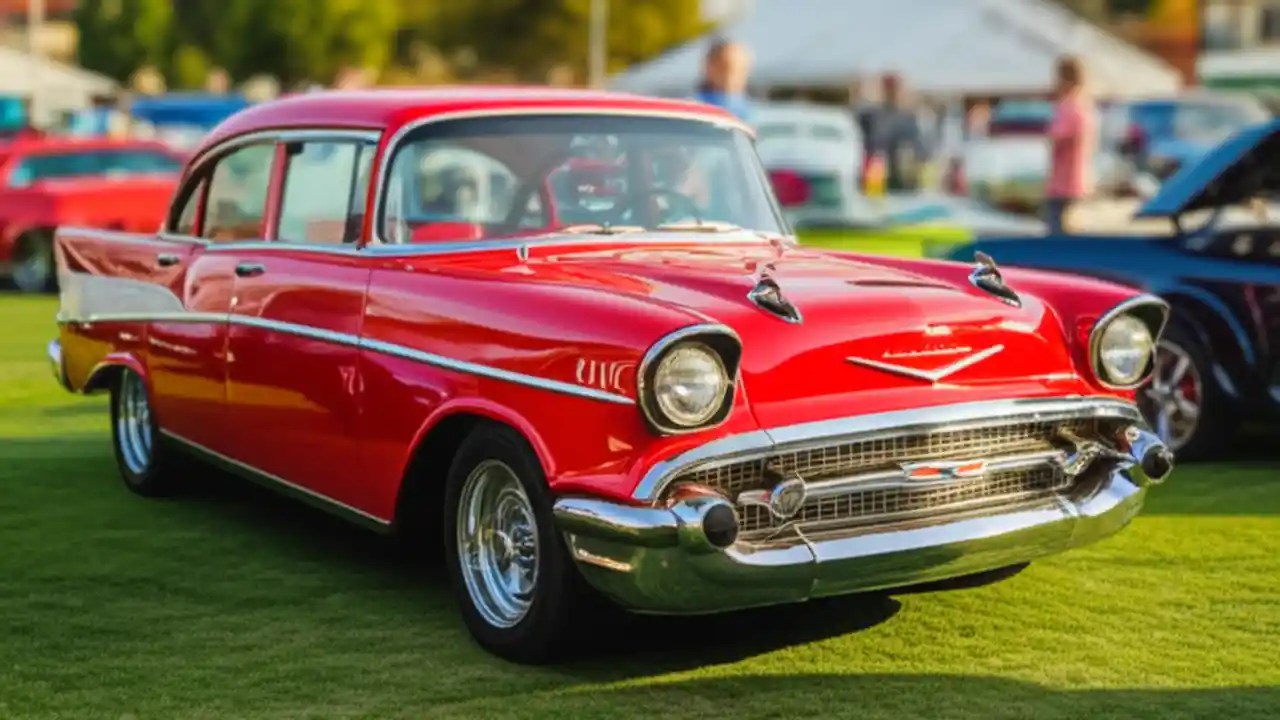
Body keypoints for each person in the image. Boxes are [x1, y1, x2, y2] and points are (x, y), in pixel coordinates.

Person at [1044, 56, 1097, 235]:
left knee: (1057, 235)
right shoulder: (1085, 106)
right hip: (1079, 181)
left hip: (1064, 184)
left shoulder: (1069, 107)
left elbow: (1056, 136)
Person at [863, 73, 929, 192]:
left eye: (893, 89)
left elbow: (921, 152)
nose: (890, 93)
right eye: (887, 89)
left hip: (903, 181)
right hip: (876, 180)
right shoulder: (870, 117)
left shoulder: (908, 118)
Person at [695, 39, 752, 122]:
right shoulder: (691, 110)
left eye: (740, 69)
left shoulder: (758, 113)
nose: (731, 75)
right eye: (725, 67)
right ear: (709, 67)